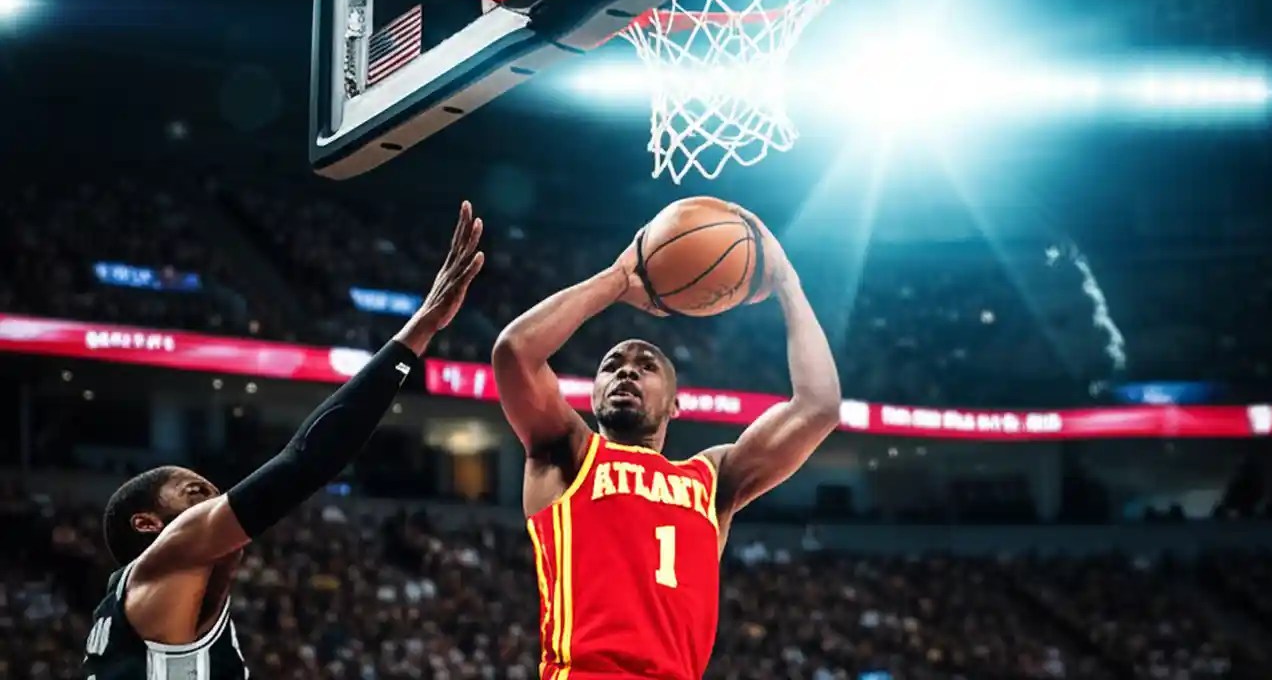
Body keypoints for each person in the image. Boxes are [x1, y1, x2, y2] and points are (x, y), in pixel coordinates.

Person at [82, 202, 485, 679]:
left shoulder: (150, 607)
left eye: (212, 491)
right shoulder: (172, 554)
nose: (216, 499)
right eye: (193, 493)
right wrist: (419, 330)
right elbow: (306, 461)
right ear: (148, 523)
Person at [492, 206, 841, 680]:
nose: (627, 371)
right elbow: (516, 353)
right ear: (592, 393)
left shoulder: (712, 480)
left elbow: (817, 407)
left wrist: (788, 286)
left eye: (647, 366)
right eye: (612, 365)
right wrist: (618, 277)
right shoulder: (567, 453)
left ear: (676, 405)